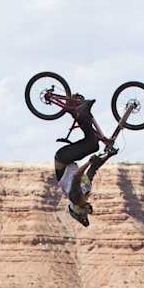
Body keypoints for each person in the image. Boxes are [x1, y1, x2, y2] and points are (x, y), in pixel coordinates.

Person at [51, 94, 117, 227]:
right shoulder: (86, 191)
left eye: (84, 213)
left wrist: (89, 162)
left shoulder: (75, 198)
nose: (87, 210)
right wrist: (108, 156)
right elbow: (94, 169)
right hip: (68, 159)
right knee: (92, 142)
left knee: (92, 145)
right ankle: (75, 109)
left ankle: (81, 111)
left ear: (78, 210)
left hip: (63, 159)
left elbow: (76, 176)